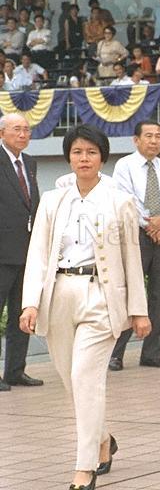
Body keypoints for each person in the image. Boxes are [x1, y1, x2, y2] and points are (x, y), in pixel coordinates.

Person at [19, 124, 150, 490]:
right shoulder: (53, 199)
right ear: (68, 156)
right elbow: (38, 255)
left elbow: (131, 257)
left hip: (101, 297)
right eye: (77, 152)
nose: (84, 159)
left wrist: (138, 310)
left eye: (91, 152)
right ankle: (103, 438)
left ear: (102, 157)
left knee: (85, 378)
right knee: (72, 382)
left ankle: (84, 467)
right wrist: (30, 303)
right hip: (59, 293)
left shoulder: (119, 199)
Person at [108, 121, 160, 372]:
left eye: (158, 136)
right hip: (136, 234)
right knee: (131, 293)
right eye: (148, 136)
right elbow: (125, 199)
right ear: (136, 139)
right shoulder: (125, 165)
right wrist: (150, 227)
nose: (154, 141)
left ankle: (152, 353)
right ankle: (115, 354)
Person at [0, 113, 42, 392]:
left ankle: (15, 370)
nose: (23, 134)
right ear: (2, 133)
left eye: (26, 130)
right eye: (17, 129)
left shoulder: (29, 162)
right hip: (2, 253)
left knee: (22, 313)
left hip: (28, 252)